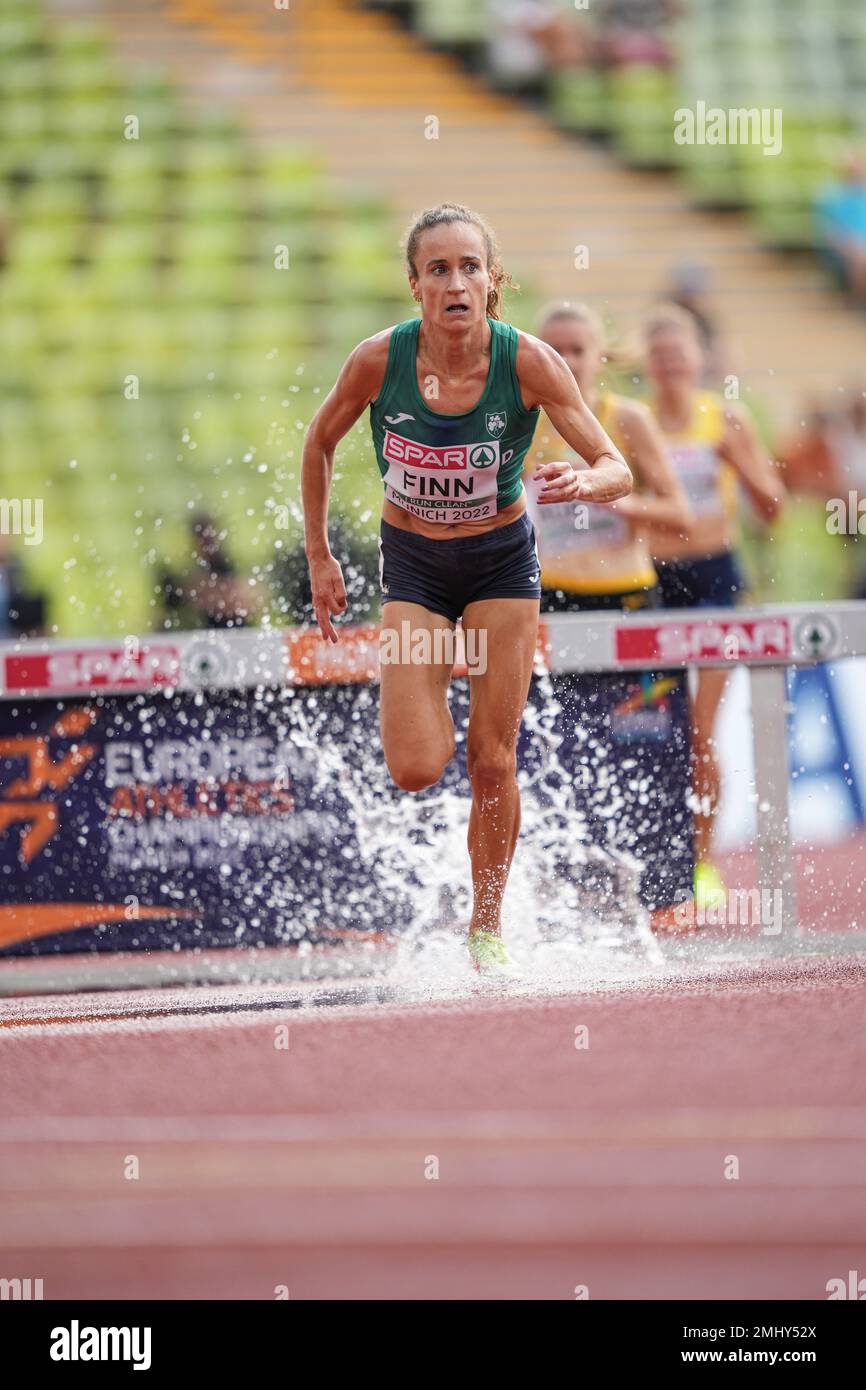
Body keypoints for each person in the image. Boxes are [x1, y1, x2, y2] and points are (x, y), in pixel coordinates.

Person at [301, 202, 632, 976]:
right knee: (416, 768)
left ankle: (486, 928)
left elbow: (618, 466)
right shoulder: (378, 361)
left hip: (498, 564)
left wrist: (590, 479)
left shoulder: (530, 363)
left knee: (492, 758)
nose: (456, 282)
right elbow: (319, 442)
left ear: (493, 283)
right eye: (439, 269)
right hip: (414, 563)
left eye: (470, 267)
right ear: (415, 285)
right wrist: (320, 556)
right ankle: (439, 678)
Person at [644, 304, 786, 909]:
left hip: (716, 578)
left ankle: (700, 862)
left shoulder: (724, 418)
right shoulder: (637, 423)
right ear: (648, 366)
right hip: (654, 580)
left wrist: (737, 462)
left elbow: (774, 506)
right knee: (659, 730)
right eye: (662, 356)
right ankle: (657, 856)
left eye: (682, 355)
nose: (673, 365)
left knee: (700, 731)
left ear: (699, 360)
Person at [523, 300, 691, 613]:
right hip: (551, 591)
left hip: (627, 590)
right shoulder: (526, 422)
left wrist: (614, 498)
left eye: (577, 350)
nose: (567, 362)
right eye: (556, 351)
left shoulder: (630, 419)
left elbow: (679, 514)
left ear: (599, 356)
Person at [158, 512, 264, 631]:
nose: (207, 541)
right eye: (202, 536)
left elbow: (255, 597)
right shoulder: (189, 568)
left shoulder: (229, 565)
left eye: (210, 535)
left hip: (236, 633)